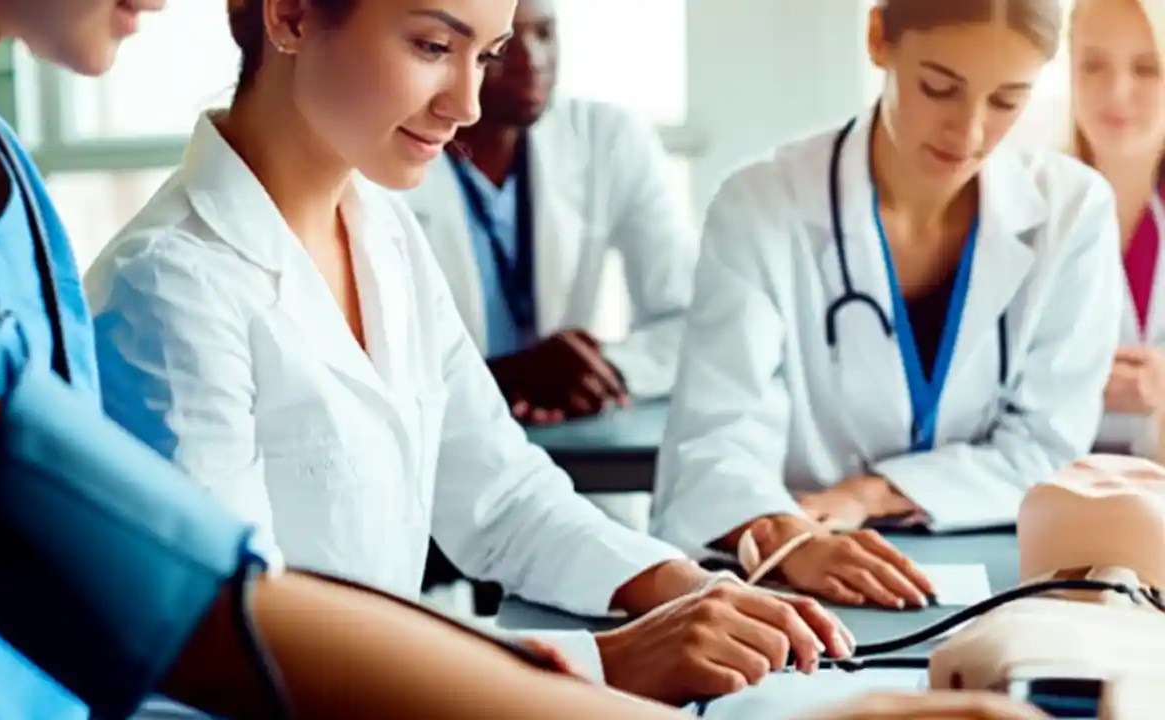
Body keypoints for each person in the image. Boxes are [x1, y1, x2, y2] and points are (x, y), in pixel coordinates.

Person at [85, 0, 851, 706]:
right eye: (431, 45)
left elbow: (502, 497)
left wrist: (684, 588)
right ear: (289, 14)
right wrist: (600, 665)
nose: (469, 104)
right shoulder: (167, 287)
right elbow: (245, 637)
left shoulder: (385, 234)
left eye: (483, 55)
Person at [651, 0, 1121, 610]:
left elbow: (1047, 447)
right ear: (879, 38)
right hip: (795, 587)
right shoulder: (762, 206)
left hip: (997, 579)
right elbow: (713, 445)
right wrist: (790, 541)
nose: (970, 131)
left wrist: (870, 495)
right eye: (939, 88)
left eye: (1007, 100)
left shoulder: (1072, 210)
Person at [402, 0, 697, 423]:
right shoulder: (385, 153)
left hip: (570, 437)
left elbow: (690, 317)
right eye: (501, 45)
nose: (532, 61)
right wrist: (498, 380)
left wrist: (598, 372)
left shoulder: (608, 137)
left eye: (544, 34)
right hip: (440, 448)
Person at [1070, 0, 1165, 459]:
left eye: (1147, 68)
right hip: (1039, 498)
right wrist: (1069, 381)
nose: (1117, 91)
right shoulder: (1018, 215)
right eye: (1093, 65)